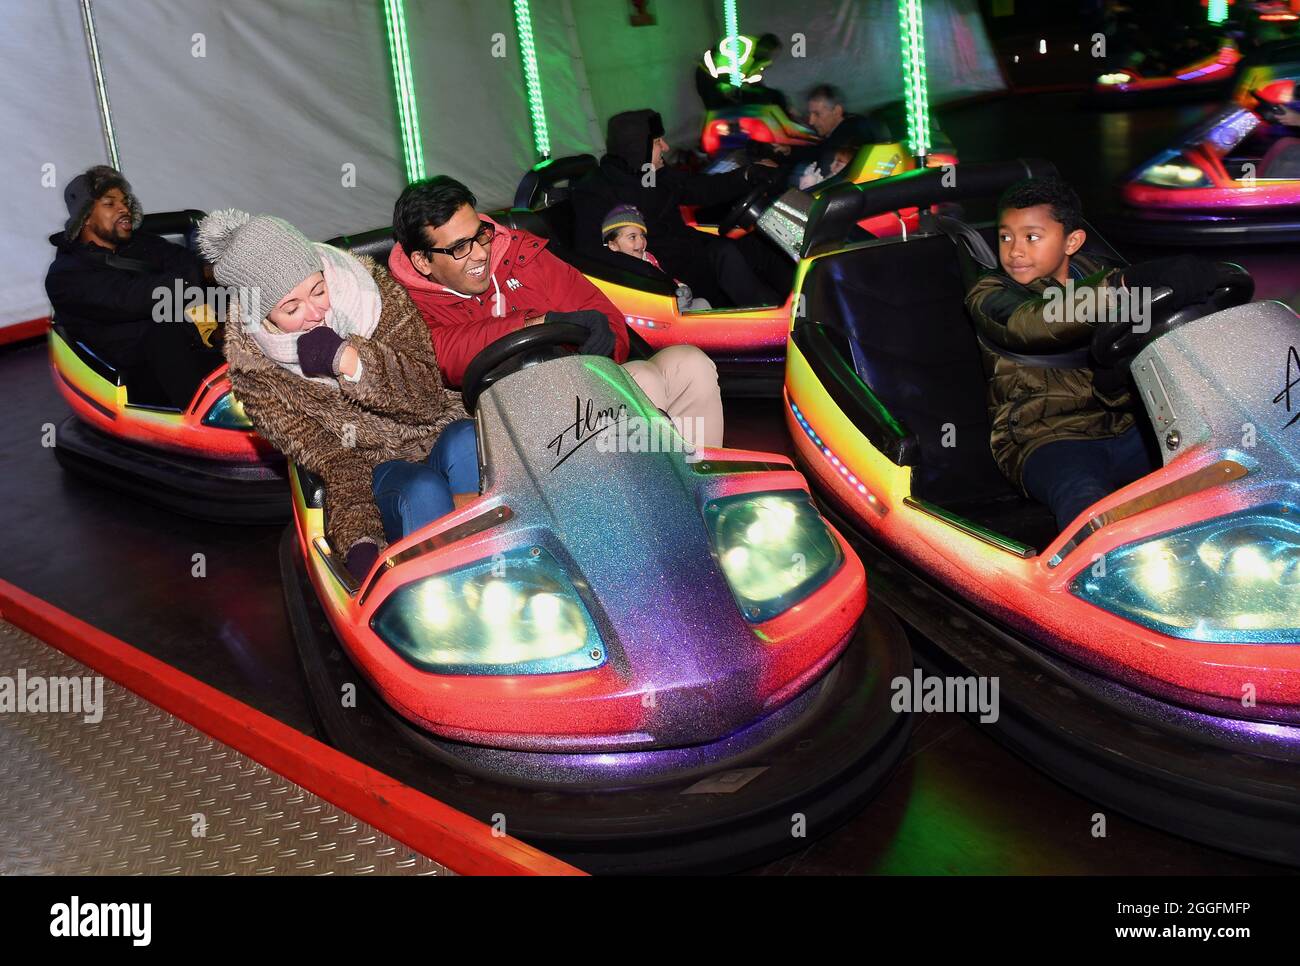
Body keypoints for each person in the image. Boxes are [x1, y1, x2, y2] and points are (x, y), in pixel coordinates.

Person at [198, 210, 471, 579]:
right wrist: (360, 537)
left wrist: (351, 361)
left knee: (468, 440)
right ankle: (442, 597)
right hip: (376, 471)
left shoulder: (373, 294)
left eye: (318, 289)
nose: (316, 313)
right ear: (261, 315)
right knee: (421, 490)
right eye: (291, 308)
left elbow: (427, 399)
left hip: (436, 427)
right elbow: (336, 462)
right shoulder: (258, 376)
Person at [388, 176, 725, 449]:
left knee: (688, 362)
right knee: (644, 381)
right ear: (422, 261)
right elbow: (444, 353)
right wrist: (539, 323)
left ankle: (705, 486)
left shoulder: (521, 255)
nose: (479, 254)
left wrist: (605, 341)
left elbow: (600, 313)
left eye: (480, 235)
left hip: (578, 384)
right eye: (460, 247)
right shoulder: (402, 304)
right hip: (506, 425)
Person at [964, 177, 1216, 532]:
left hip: (1126, 426)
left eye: (1031, 237)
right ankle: (1106, 575)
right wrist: (1121, 288)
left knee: (1207, 463)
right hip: (1043, 437)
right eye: (1006, 237)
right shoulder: (990, 293)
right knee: (1083, 496)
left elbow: (1148, 317)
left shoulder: (1099, 269)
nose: (1015, 251)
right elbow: (1032, 322)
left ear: (1072, 241)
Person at [571, 109, 792, 308]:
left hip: (690, 251)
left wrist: (747, 175)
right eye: (658, 142)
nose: (666, 147)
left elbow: (702, 187)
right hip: (661, 275)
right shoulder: (596, 192)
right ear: (637, 146)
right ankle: (771, 319)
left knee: (758, 246)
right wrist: (649, 272)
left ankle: (802, 301)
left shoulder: (652, 172)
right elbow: (594, 254)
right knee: (724, 253)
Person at [44, 165, 222, 408]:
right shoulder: (66, 276)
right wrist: (199, 276)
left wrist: (216, 274)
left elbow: (184, 262)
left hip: (182, 344)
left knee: (236, 295)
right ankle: (205, 413)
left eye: (125, 202)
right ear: (85, 217)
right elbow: (132, 298)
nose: (124, 208)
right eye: (110, 203)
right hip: (137, 372)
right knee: (162, 327)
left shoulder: (143, 244)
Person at [602, 204, 711, 312]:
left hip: (665, 303)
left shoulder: (648, 258)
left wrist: (680, 288)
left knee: (702, 303)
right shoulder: (615, 269)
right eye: (632, 237)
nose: (641, 242)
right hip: (646, 314)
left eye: (642, 236)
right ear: (613, 245)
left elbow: (663, 276)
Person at [781, 85, 890, 177]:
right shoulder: (845, 127)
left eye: (817, 114)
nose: (811, 121)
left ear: (837, 111)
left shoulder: (848, 136)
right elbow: (818, 150)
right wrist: (789, 150)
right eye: (810, 114)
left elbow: (823, 166)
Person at [695, 32, 788, 112]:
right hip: (708, 77)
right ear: (764, 48)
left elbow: (752, 80)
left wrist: (763, 92)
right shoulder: (740, 45)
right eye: (771, 53)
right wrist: (727, 90)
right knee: (718, 109)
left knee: (773, 96)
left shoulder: (762, 60)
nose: (771, 57)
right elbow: (722, 73)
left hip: (730, 83)